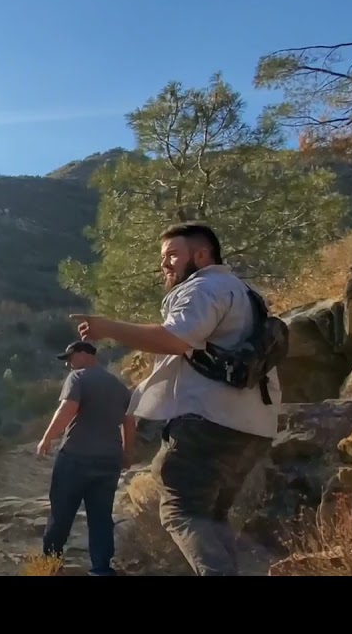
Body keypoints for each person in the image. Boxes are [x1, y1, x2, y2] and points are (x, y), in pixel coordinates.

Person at [69, 222, 281, 576]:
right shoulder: (245, 294)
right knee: (211, 517)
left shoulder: (202, 288)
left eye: (172, 255)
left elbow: (175, 339)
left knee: (180, 511)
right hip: (254, 427)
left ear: (201, 255)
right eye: (162, 257)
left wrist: (107, 328)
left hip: (208, 422)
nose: (164, 265)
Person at [36, 340, 135, 576]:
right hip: (109, 460)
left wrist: (47, 438)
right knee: (101, 515)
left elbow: (67, 409)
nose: (69, 364)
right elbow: (130, 422)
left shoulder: (79, 378)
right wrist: (127, 453)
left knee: (61, 512)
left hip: (76, 457)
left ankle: (51, 564)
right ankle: (101, 568)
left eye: (70, 358)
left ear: (85, 354)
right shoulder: (119, 386)